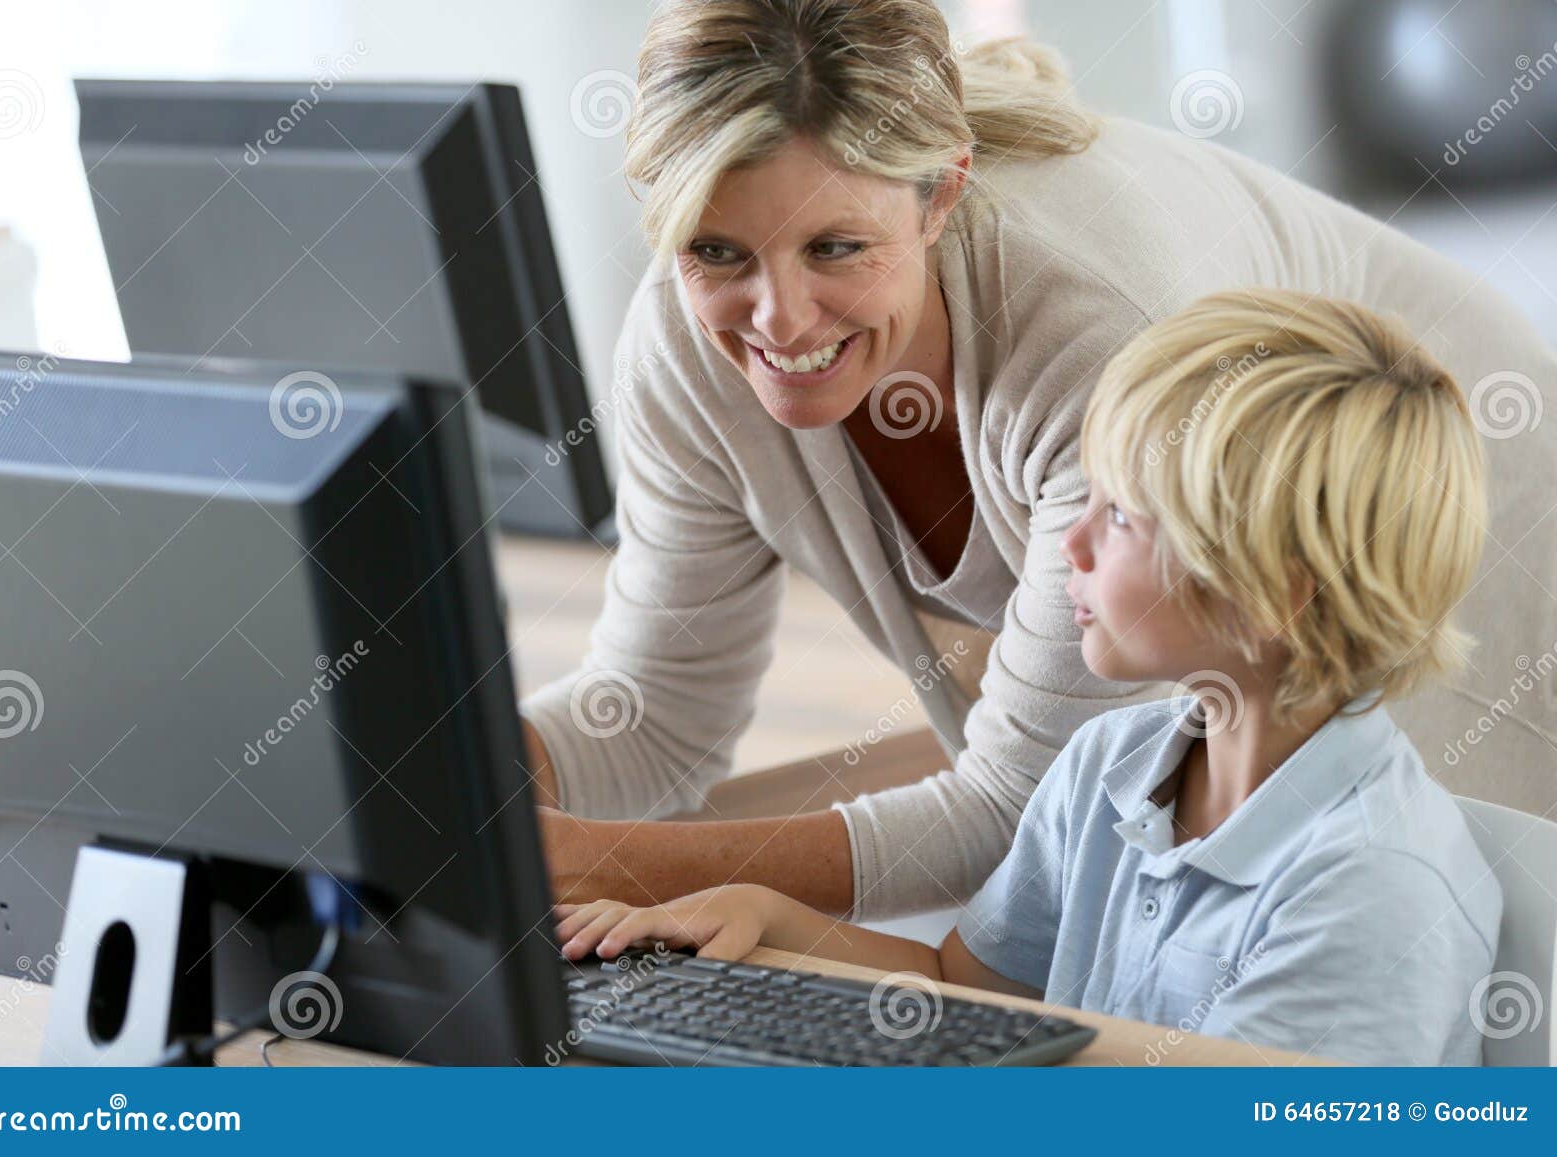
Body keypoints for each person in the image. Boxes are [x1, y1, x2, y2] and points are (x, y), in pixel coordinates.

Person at [525, 0, 1557, 925]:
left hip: (1442, 489)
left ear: (938, 199)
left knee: (1449, 935)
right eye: (716, 251)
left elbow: (1020, 809)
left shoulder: (1097, 334)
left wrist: (604, 864)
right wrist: (447, 787)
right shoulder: (683, 342)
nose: (777, 317)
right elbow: (652, 711)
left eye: (834, 248)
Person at [551, 289, 1505, 1066]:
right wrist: (767, 917)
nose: (1073, 544)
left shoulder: (1374, 887)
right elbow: (973, 989)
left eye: (1124, 517)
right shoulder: (1112, 759)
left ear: (1273, 592)